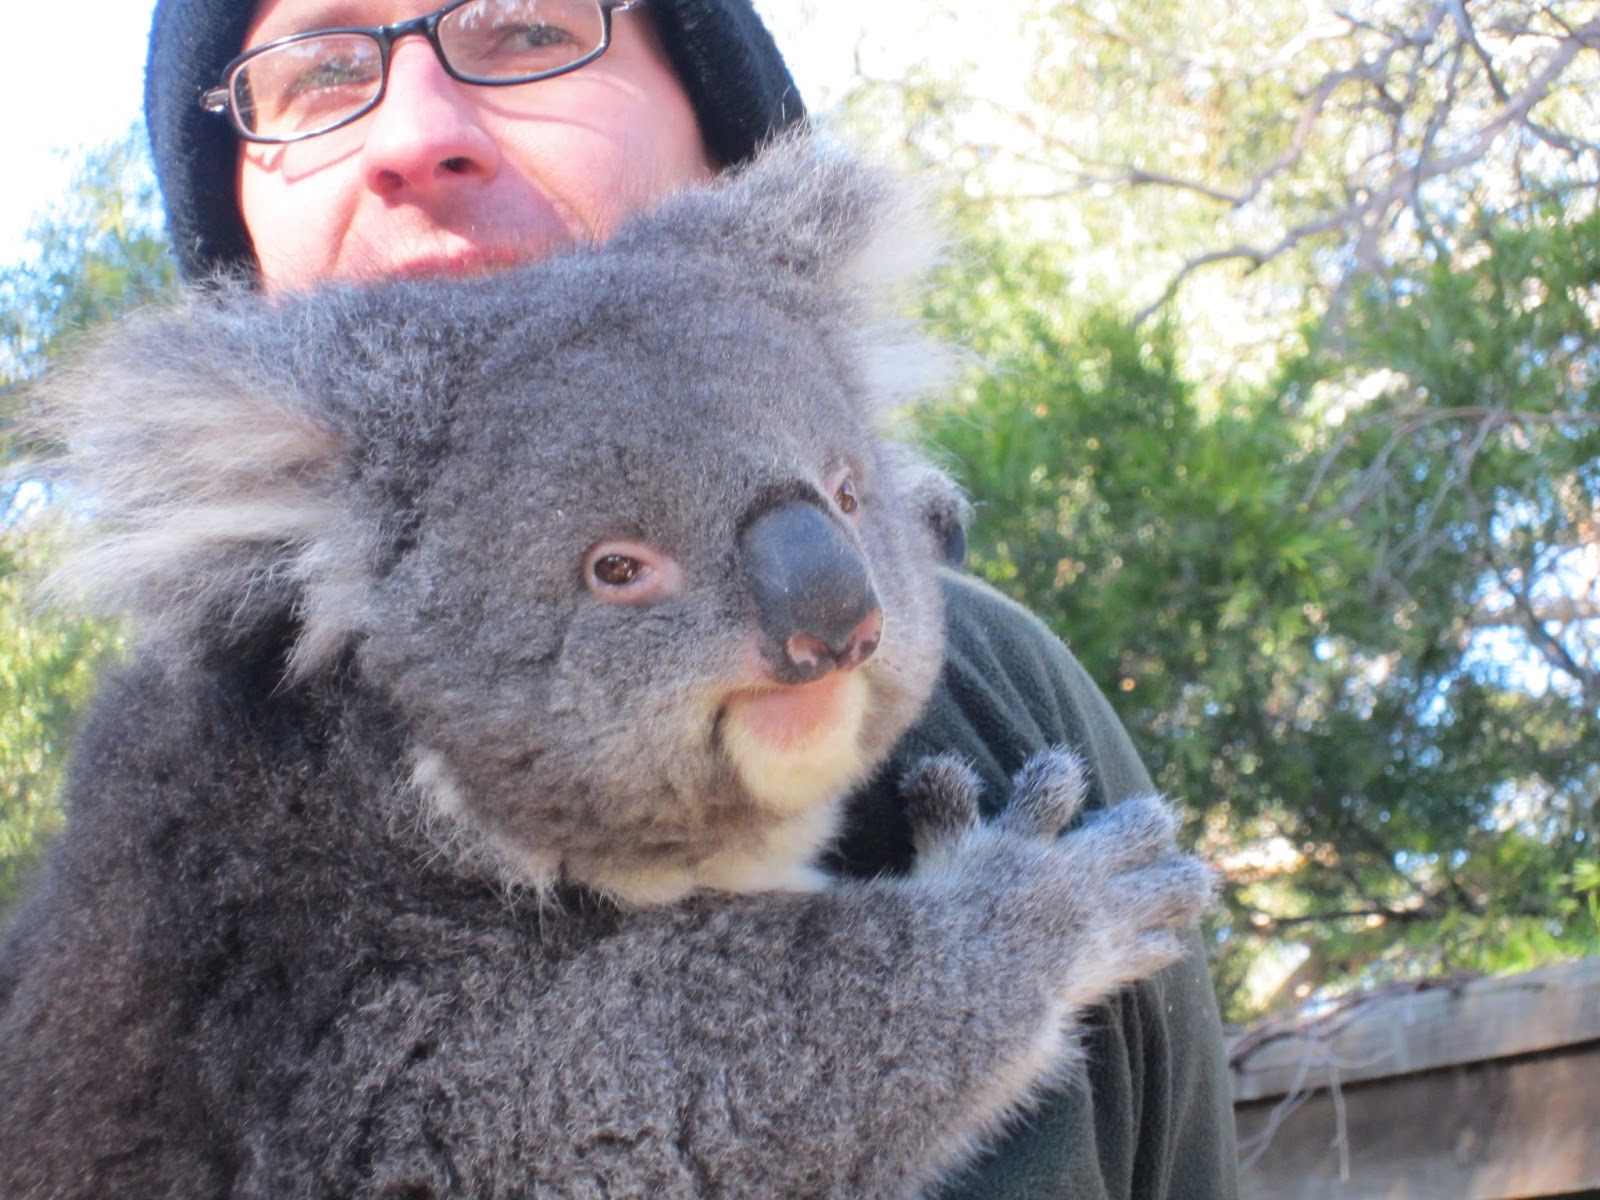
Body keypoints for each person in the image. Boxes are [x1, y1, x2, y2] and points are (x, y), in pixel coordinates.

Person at [138, 0, 1240, 1194]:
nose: (413, 129)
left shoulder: (974, 687)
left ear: (722, 145)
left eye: (523, 29)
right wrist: (972, 969)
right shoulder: (194, 810)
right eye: (317, 74)